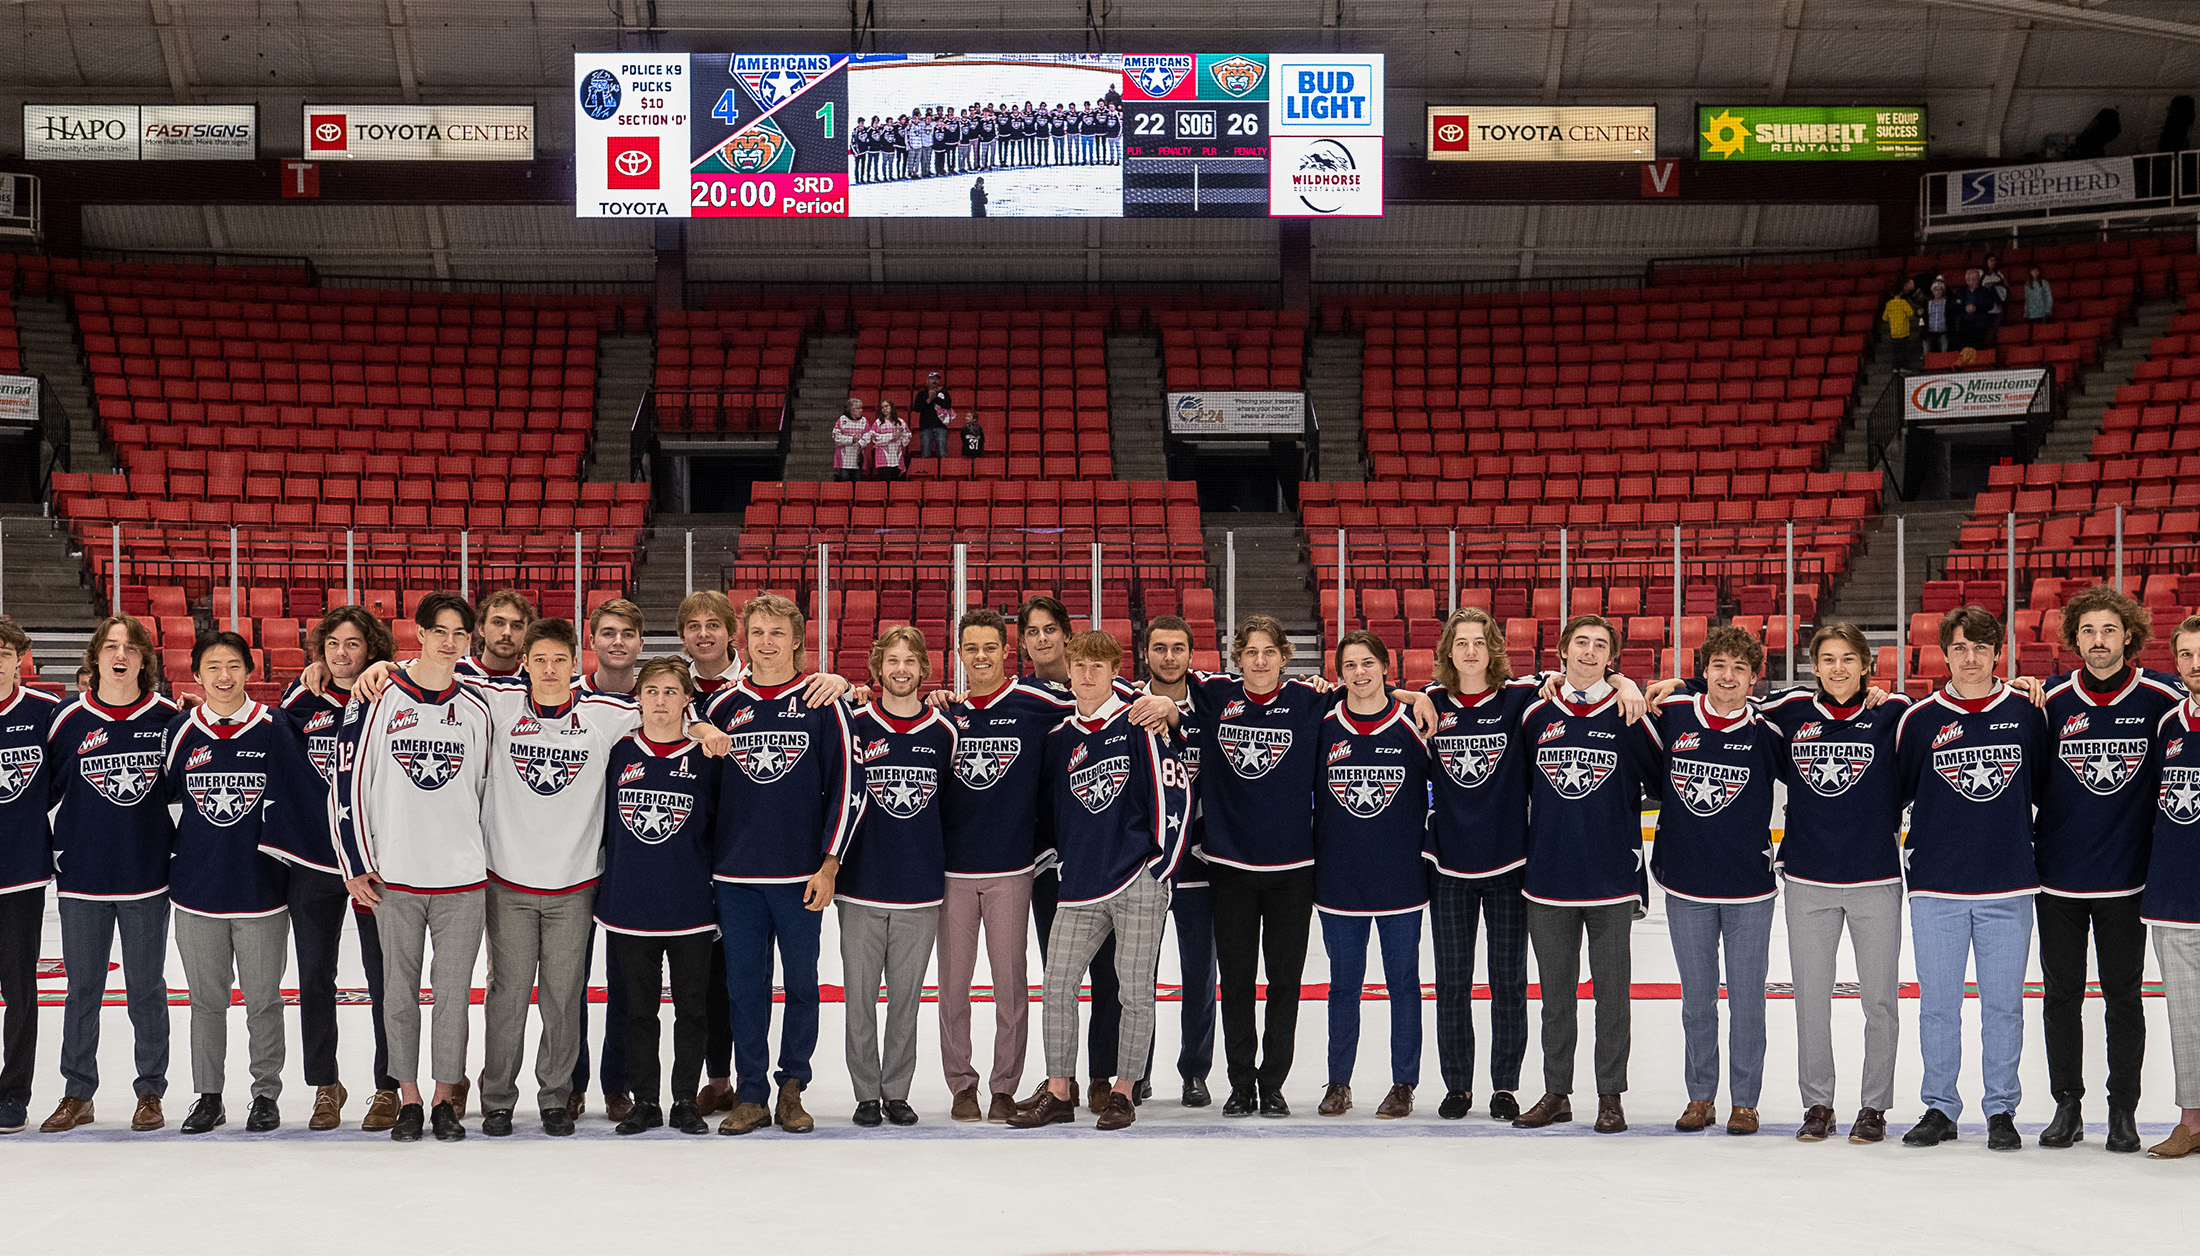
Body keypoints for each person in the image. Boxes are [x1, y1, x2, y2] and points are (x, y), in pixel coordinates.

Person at [1009, 630, 1188, 1131]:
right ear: (1069, 669)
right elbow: (1047, 813)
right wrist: (1058, 863)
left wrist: (1161, 867)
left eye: (1098, 666)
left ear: (1115, 672)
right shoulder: (1059, 738)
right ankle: (1060, 1091)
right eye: (1080, 665)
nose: (1087, 675)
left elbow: (1175, 793)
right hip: (1080, 886)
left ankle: (1123, 1091)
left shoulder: (1139, 723)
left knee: (1134, 992)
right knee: (1058, 985)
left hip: (1136, 880)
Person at [2023, 584, 2180, 1153]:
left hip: (2128, 881)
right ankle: (2068, 1104)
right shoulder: (2051, 702)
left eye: (2108, 629)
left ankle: (2123, 1110)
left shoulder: (2161, 701)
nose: (2097, 641)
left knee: (2124, 997)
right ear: (2074, 639)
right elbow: (2030, 779)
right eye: (2087, 630)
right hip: (2057, 877)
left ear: (2129, 635)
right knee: (2061, 996)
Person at [333, 590, 495, 1143]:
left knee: (453, 993)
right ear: (419, 635)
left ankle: (447, 1097)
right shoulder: (376, 697)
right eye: (440, 631)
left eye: (460, 635)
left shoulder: (477, 706)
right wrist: (355, 861)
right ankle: (408, 1097)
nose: (450, 643)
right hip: (394, 876)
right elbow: (347, 782)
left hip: (461, 879)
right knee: (396, 991)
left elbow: (487, 792)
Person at [471, 618, 642, 1138]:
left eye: (559, 661)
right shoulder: (497, 706)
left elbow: (672, 709)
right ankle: (498, 1097)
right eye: (539, 659)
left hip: (575, 886)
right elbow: (433, 675)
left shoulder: (605, 715)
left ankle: (555, 1095)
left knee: (564, 997)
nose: (549, 669)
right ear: (524, 663)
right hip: (509, 884)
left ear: (576, 665)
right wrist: (384, 666)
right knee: (507, 996)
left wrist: (703, 728)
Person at [700, 593, 862, 1135]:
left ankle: (792, 1086)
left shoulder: (823, 701)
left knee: (802, 986)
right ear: (744, 639)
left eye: (777, 633)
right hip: (737, 878)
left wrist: (829, 864)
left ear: (797, 640)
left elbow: (848, 788)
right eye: (758, 632)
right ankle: (750, 1093)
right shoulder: (723, 706)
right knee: (744, 988)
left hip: (800, 878)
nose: (766, 642)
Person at [1893, 605, 2047, 1152]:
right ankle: (1940, 1106)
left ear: (1998, 652)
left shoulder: (2030, 712)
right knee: (1938, 1003)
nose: (1971, 656)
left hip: (2008, 883)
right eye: (1959, 646)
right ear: (1944, 653)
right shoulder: (1920, 719)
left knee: (2004, 1003)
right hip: (1937, 886)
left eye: (1981, 646)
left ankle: (2001, 1109)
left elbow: (2047, 788)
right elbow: (1900, 794)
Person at [1755, 623, 1910, 1144]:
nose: (1838, 668)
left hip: (1876, 880)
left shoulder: (1893, 712)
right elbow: (1724, 694)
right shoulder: (1792, 711)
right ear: (1813, 666)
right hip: (1808, 880)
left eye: (1848, 659)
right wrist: (1638, 684)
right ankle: (1817, 1103)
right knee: (1811, 998)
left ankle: (1874, 1106)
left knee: (1880, 1001)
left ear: (1867, 664)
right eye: (1827, 659)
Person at [165, 631, 321, 1135]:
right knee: (205, 1002)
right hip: (196, 892)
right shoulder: (179, 731)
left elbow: (300, 797)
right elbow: (160, 806)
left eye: (233, 665)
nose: (224, 677)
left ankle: (264, 1095)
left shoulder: (274, 727)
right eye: (212, 667)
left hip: (261, 893)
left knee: (264, 1000)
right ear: (197, 674)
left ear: (250, 671)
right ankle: (208, 1096)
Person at [1512, 615, 1661, 1136]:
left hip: (1611, 880)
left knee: (1612, 996)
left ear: (1611, 658)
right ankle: (1556, 1093)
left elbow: (1666, 780)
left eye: (1601, 646)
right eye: (1581, 643)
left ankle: (1610, 1096)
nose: (1590, 652)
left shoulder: (1629, 710)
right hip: (1548, 878)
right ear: (1561, 651)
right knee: (1556, 997)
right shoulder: (1534, 713)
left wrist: (1632, 689)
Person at [41, 614, 178, 1135]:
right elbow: (45, 793)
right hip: (82, 880)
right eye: (110, 646)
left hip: (147, 878)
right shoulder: (66, 719)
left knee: (147, 989)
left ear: (145, 660)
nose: (120, 655)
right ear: (95, 657)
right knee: (83, 991)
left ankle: (150, 1092)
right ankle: (78, 1093)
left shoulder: (169, 718)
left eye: (131, 647)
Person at [936, 607, 1072, 1124]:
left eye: (990, 647)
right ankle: (961, 1085)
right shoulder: (944, 714)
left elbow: (1101, 696)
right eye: (971, 648)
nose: (981, 656)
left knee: (1011, 985)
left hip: (1014, 870)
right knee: (953, 986)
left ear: (1006, 651)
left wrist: (1158, 699)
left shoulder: (1039, 703)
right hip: (953, 872)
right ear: (960, 654)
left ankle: (1002, 1087)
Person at [1649, 627, 1785, 1137]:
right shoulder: (1674, 715)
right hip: (1686, 885)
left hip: (1749, 888)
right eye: (1719, 666)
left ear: (1754, 679)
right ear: (1704, 669)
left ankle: (1745, 1101)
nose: (1728, 677)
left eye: (1740, 669)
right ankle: (1700, 1095)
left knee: (1748, 999)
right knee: (1697, 999)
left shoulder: (1769, 730)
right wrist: (1674, 684)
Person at [270, 605, 401, 1131]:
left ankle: (390, 1084)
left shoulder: (392, 694)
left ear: (371, 649)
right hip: (315, 860)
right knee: (315, 975)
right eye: (333, 646)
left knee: (386, 977)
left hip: (375, 862)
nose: (343, 655)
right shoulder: (301, 699)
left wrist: (394, 668)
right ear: (319, 652)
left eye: (353, 644)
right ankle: (327, 1083)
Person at [1422, 608, 1540, 1123]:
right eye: (1461, 642)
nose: (1470, 651)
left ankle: (1506, 1085)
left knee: (1507, 982)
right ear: (1448, 651)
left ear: (1494, 649)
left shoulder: (1520, 700)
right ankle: (1458, 1086)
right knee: (1451, 982)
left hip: (1509, 865)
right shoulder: (1430, 704)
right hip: (1449, 867)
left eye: (1479, 642)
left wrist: (1625, 681)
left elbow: (1580, 682)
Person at [597, 657, 721, 1136]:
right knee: (637, 1010)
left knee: (692, 1009)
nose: (661, 701)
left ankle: (685, 1099)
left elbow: (718, 828)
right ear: (639, 697)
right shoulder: (619, 752)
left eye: (672, 692)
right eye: (652, 691)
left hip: (690, 905)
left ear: (688, 700)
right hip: (629, 904)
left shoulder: (705, 758)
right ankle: (645, 1099)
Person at [839, 626, 956, 1128]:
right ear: (877, 667)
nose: (902, 669)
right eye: (893, 660)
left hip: (920, 889)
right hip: (861, 886)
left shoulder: (943, 731)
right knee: (860, 998)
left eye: (911, 661)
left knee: (906, 1002)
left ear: (923, 669)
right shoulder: (854, 723)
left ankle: (897, 1091)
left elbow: (949, 807)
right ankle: (867, 1093)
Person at [1313, 631, 1431, 1121]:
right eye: (1350, 666)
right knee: (1344, 984)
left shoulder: (1416, 723)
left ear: (1386, 666)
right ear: (1340, 674)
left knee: (1404, 982)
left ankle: (1403, 1083)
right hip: (1339, 879)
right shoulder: (1323, 724)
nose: (1359, 674)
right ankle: (1339, 1082)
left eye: (1368, 663)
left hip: (1401, 879)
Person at [1141, 616, 1218, 1106]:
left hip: (1201, 860)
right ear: (1144, 653)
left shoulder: (1214, 699)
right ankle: (1136, 1070)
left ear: (1192, 654)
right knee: (1136, 976)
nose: (1169, 657)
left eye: (1178, 648)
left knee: (1199, 975)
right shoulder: (1126, 702)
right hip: (1145, 865)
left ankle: (1195, 1070)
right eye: (1159, 648)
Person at [2143, 616, 2200, 1158]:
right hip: (2176, 895)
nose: (2194, 665)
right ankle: (2192, 1121)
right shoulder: (2169, 724)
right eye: (2185, 655)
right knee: (2185, 1013)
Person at [0, 620, 60, 1135]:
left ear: (21, 658)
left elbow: (65, 780)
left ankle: (14, 1092)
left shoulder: (45, 713)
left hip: (20, 874)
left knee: (19, 990)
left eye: (4, 652)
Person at [461, 589, 534, 680]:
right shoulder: (454, 671)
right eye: (498, 623)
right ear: (482, 628)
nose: (507, 632)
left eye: (516, 626)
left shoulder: (536, 678)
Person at [912, 372, 954, 462]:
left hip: (941, 427)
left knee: (942, 454)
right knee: (925, 454)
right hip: (925, 427)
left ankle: (943, 473)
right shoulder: (922, 393)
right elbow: (916, 408)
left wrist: (935, 398)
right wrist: (928, 400)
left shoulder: (944, 392)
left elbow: (948, 405)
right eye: (932, 378)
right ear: (927, 380)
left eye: (936, 379)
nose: (934, 381)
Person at [867, 399, 910, 483]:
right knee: (885, 481)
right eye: (882, 407)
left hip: (896, 457)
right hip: (882, 458)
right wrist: (892, 436)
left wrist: (902, 433)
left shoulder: (900, 422)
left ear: (892, 407)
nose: (884, 409)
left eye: (886, 406)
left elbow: (906, 441)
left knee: (895, 482)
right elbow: (874, 438)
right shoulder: (878, 423)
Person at [833, 397, 871, 482]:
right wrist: (851, 440)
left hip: (857, 460)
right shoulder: (842, 420)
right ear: (851, 410)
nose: (860, 410)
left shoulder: (864, 421)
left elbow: (868, 435)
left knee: (856, 485)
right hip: (844, 461)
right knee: (845, 485)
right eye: (857, 408)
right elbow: (836, 437)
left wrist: (860, 443)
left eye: (861, 408)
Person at [1884, 281, 1918, 373]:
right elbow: (1910, 313)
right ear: (1901, 292)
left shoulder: (1889, 304)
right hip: (1904, 331)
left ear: (1891, 293)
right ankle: (1904, 367)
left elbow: (1885, 317)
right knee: (1904, 350)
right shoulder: (1903, 303)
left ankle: (1895, 367)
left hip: (1894, 332)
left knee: (1895, 351)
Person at [1922, 280, 1953, 355]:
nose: (1938, 292)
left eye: (1940, 290)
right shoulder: (1928, 303)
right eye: (1936, 289)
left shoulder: (1947, 302)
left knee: (1944, 352)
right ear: (1932, 291)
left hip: (1943, 331)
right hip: (1930, 332)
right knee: (1927, 353)